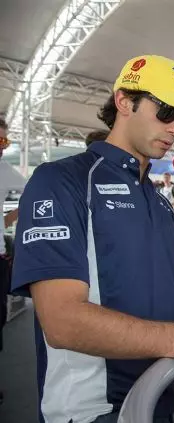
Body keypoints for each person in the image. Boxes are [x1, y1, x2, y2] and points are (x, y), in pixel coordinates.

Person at [11, 55, 174, 423]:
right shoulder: (60, 182)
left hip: (161, 395)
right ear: (124, 101)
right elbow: (61, 320)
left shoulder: (157, 200)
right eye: (166, 110)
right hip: (94, 412)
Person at [0, 120, 27, 406]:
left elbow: (33, 191)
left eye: (5, 143)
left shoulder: (4, 170)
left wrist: (5, 221)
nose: (2, 149)